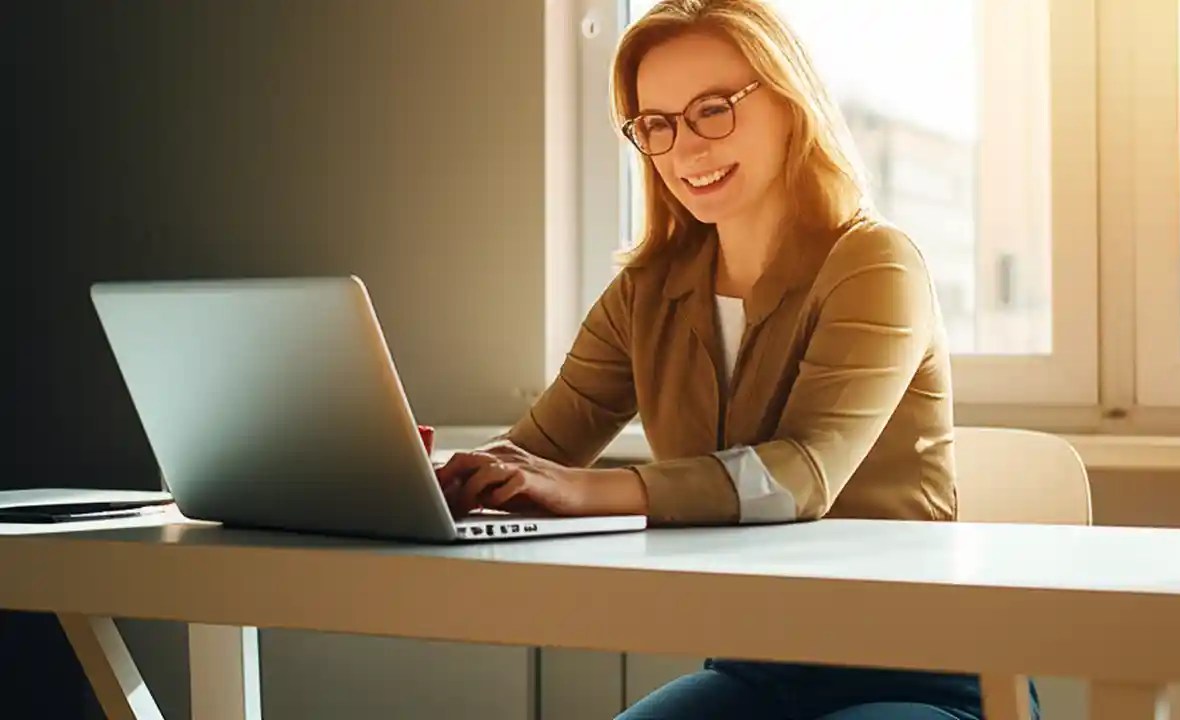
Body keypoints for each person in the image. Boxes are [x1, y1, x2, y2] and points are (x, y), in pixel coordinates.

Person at [428, 0, 1037, 717]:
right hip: (757, 674)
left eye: (713, 110)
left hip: (922, 676)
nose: (686, 148)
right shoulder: (647, 291)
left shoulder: (874, 263)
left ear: (788, 101)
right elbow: (534, 456)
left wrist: (593, 491)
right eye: (656, 125)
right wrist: (427, 479)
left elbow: (802, 474)